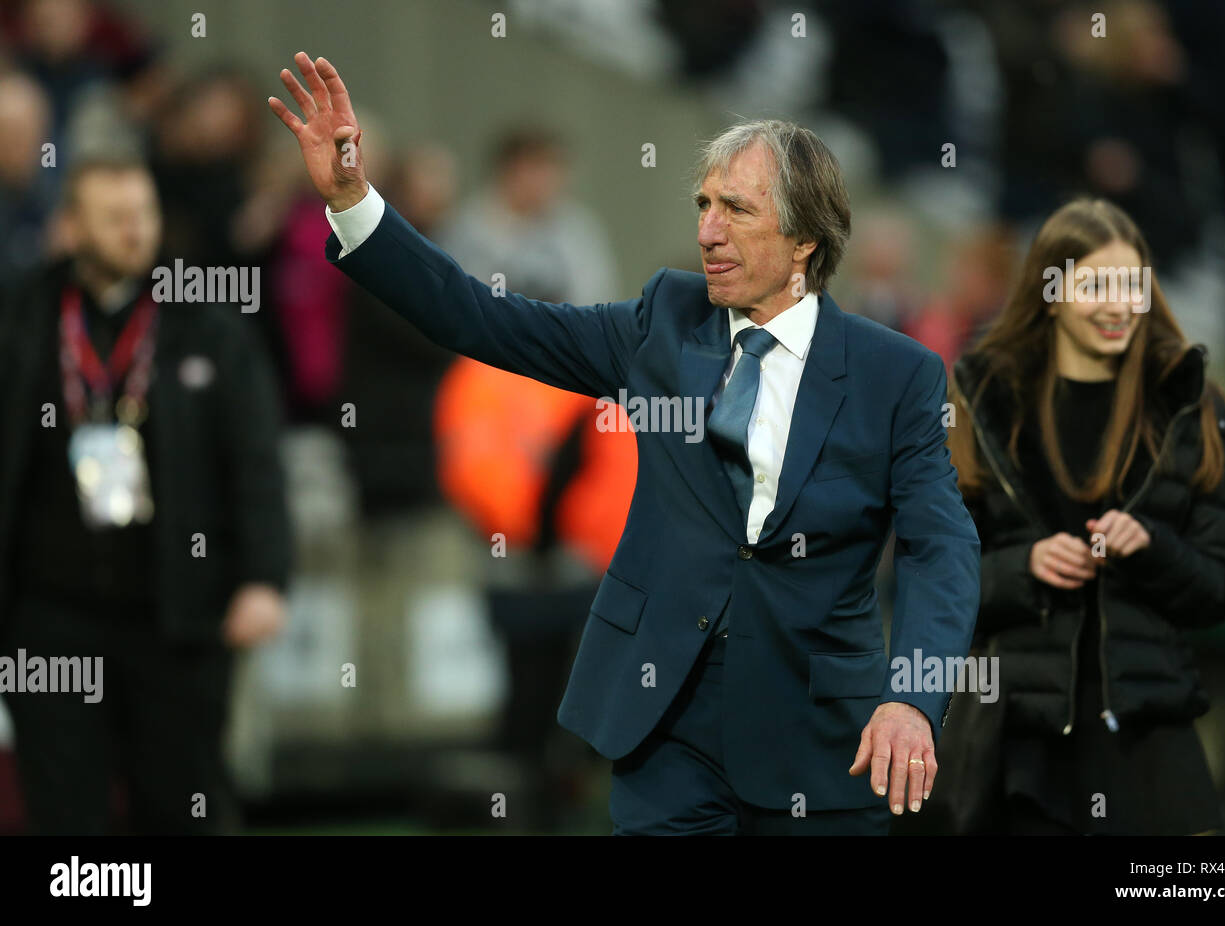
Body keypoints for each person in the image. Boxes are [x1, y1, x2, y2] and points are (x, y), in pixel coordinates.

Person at [269, 52, 980, 835]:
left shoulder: (897, 375)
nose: (707, 230)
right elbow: (479, 317)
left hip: (820, 735)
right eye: (703, 205)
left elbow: (939, 547)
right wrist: (352, 202)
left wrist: (913, 697)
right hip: (662, 718)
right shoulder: (662, 322)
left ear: (807, 238)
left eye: (736, 210)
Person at [937, 198, 1225, 835]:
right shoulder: (986, 407)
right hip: (1018, 742)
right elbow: (938, 581)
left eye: (1133, 285)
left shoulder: (1194, 411)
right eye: (1097, 285)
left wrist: (1154, 545)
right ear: (1051, 292)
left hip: (1150, 737)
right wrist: (1024, 565)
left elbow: (1219, 592)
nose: (1120, 304)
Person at [0, 156, 292, 834]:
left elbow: (256, 462)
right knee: (65, 812)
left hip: (179, 615)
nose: (136, 232)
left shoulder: (208, 326)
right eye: (114, 218)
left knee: (182, 803)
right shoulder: (20, 320)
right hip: (50, 618)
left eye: (145, 215)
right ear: (71, 228)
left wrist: (264, 579)